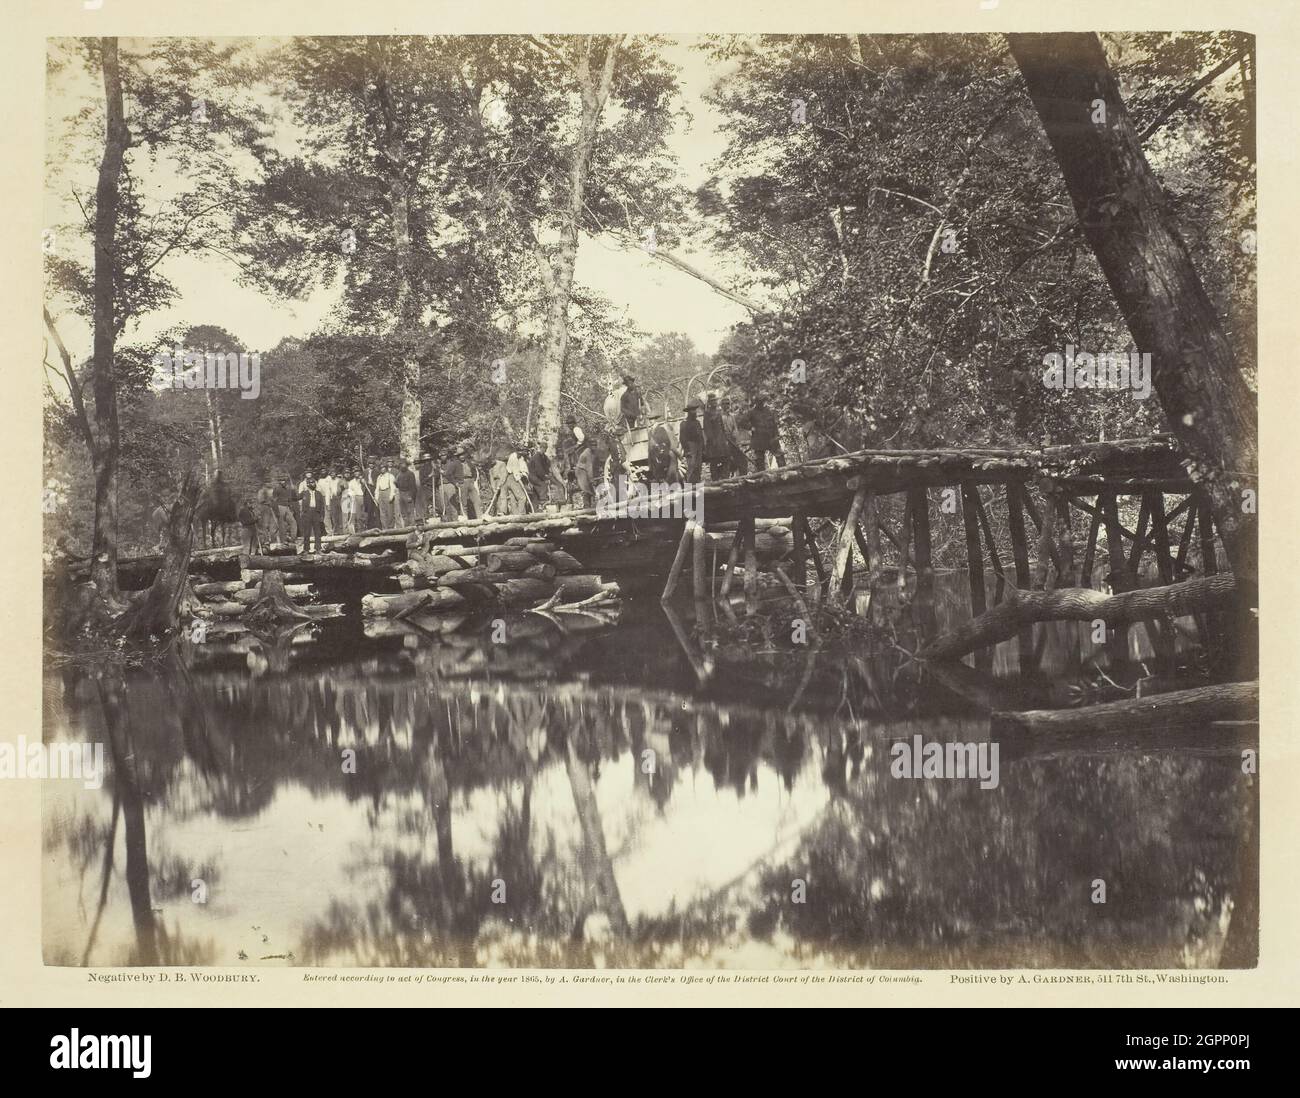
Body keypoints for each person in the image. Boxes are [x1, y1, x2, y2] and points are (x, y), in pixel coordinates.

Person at [747, 395, 785, 469]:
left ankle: (785, 473)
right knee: (760, 460)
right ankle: (762, 477)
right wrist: (751, 428)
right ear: (756, 403)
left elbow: (774, 424)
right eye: (759, 402)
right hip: (759, 438)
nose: (760, 403)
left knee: (780, 456)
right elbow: (742, 422)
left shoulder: (768, 411)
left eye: (762, 401)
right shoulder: (752, 412)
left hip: (771, 437)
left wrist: (777, 435)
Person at [703, 392, 731, 480]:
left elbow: (722, 426)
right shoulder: (707, 414)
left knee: (726, 459)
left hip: (721, 440)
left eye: (715, 400)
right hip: (713, 443)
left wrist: (725, 438)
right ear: (709, 403)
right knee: (714, 461)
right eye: (712, 401)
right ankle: (715, 479)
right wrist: (712, 440)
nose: (714, 402)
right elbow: (707, 429)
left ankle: (725, 477)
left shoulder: (718, 412)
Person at [298, 474, 326, 553]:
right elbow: (295, 498)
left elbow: (322, 506)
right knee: (307, 532)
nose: (313, 484)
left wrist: (322, 516)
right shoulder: (304, 493)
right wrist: (292, 490)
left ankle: (318, 549)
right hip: (307, 513)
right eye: (311, 482)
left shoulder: (319, 493)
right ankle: (306, 549)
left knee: (317, 532)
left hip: (316, 513)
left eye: (314, 482)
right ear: (308, 484)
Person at [679, 398, 705, 483]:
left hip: (699, 446)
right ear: (689, 412)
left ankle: (698, 485)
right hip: (691, 447)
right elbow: (682, 438)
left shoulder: (697, 422)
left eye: (695, 410)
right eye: (692, 410)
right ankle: (689, 486)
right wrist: (687, 450)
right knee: (691, 467)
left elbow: (701, 435)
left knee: (698, 467)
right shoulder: (684, 423)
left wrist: (703, 447)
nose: (694, 412)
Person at [722, 396, 748, 475]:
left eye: (728, 404)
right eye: (724, 404)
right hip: (723, 442)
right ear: (721, 405)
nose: (726, 406)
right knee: (727, 460)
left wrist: (735, 439)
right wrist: (725, 439)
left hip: (732, 441)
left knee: (742, 459)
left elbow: (735, 428)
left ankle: (743, 478)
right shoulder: (719, 416)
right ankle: (725, 477)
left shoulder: (732, 416)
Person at [458, 447, 482, 519]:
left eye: (462, 454)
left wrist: (474, 479)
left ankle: (480, 517)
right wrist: (455, 482)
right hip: (462, 482)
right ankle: (464, 518)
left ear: (465, 455)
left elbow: (474, 471)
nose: (461, 456)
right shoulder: (455, 464)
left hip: (471, 481)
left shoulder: (469, 462)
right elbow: (449, 474)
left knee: (476, 500)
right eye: (459, 455)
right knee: (463, 502)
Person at [438, 450, 463, 521]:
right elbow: (436, 475)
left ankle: (455, 519)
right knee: (444, 504)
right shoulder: (438, 464)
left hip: (450, 484)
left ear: (447, 455)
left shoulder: (451, 464)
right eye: (441, 456)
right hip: (441, 485)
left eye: (444, 455)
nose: (443, 457)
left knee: (452, 503)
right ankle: (448, 521)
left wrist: (443, 472)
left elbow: (452, 474)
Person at [273, 477, 298, 544]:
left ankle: (293, 539)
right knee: (281, 524)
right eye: (281, 480)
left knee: (293, 522)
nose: (283, 482)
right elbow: (274, 501)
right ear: (279, 481)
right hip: (280, 507)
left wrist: (293, 491)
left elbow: (292, 498)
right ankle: (283, 540)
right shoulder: (277, 489)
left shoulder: (288, 488)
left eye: (284, 480)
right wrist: (276, 510)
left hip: (287, 507)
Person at [374, 461, 398, 528]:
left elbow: (393, 487)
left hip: (388, 492)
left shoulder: (390, 476)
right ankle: (384, 528)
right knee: (382, 513)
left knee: (390, 512)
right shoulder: (379, 477)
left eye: (384, 468)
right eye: (381, 468)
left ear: (386, 468)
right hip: (381, 494)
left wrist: (391, 496)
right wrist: (376, 497)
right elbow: (377, 488)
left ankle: (390, 528)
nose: (382, 469)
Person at [395, 460, 419, 527]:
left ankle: (412, 526)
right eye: (401, 464)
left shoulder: (410, 474)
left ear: (406, 465)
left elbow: (413, 487)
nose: (402, 466)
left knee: (410, 511)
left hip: (408, 493)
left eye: (404, 464)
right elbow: (397, 484)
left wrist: (411, 496)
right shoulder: (399, 474)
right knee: (403, 512)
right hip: (401, 493)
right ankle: (406, 527)